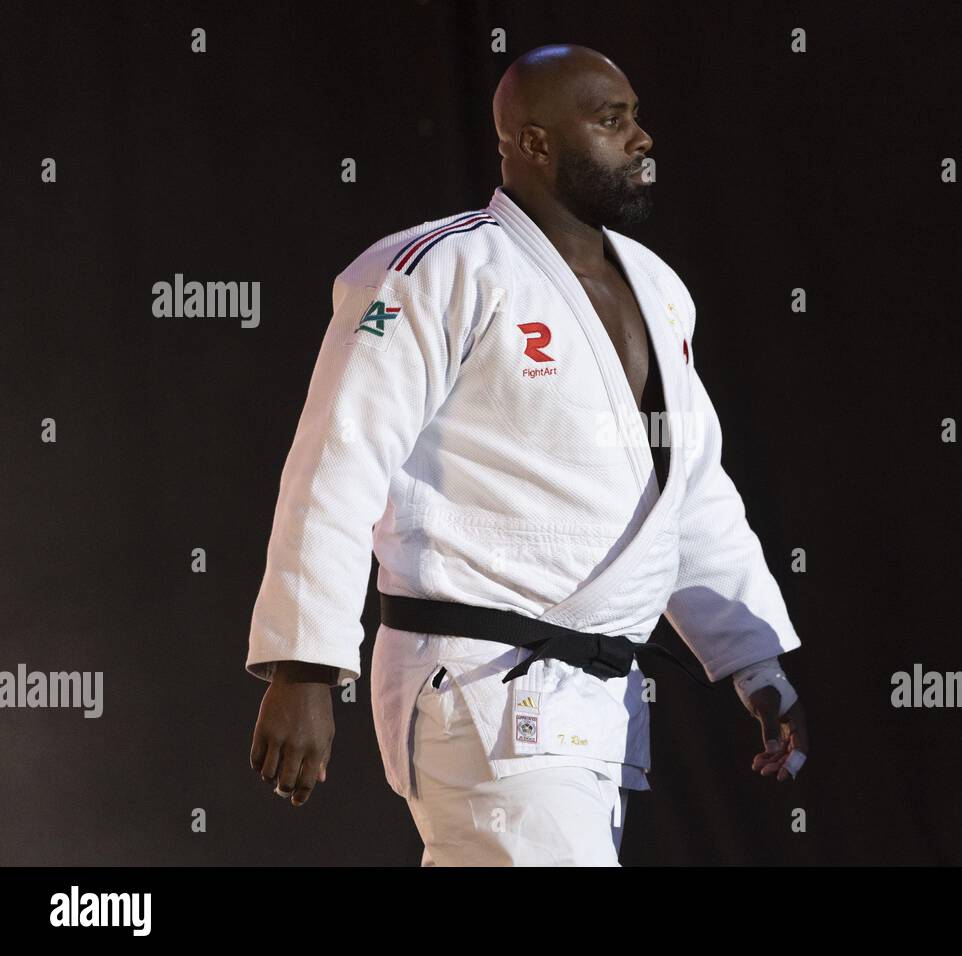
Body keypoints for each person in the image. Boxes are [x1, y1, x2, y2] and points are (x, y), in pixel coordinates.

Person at [246, 43, 809, 866]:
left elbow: (688, 489)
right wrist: (304, 663)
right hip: (481, 679)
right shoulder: (434, 269)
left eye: (636, 117)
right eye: (612, 121)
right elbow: (339, 457)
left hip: (600, 700)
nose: (643, 138)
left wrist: (756, 661)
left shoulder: (658, 287)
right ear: (535, 143)